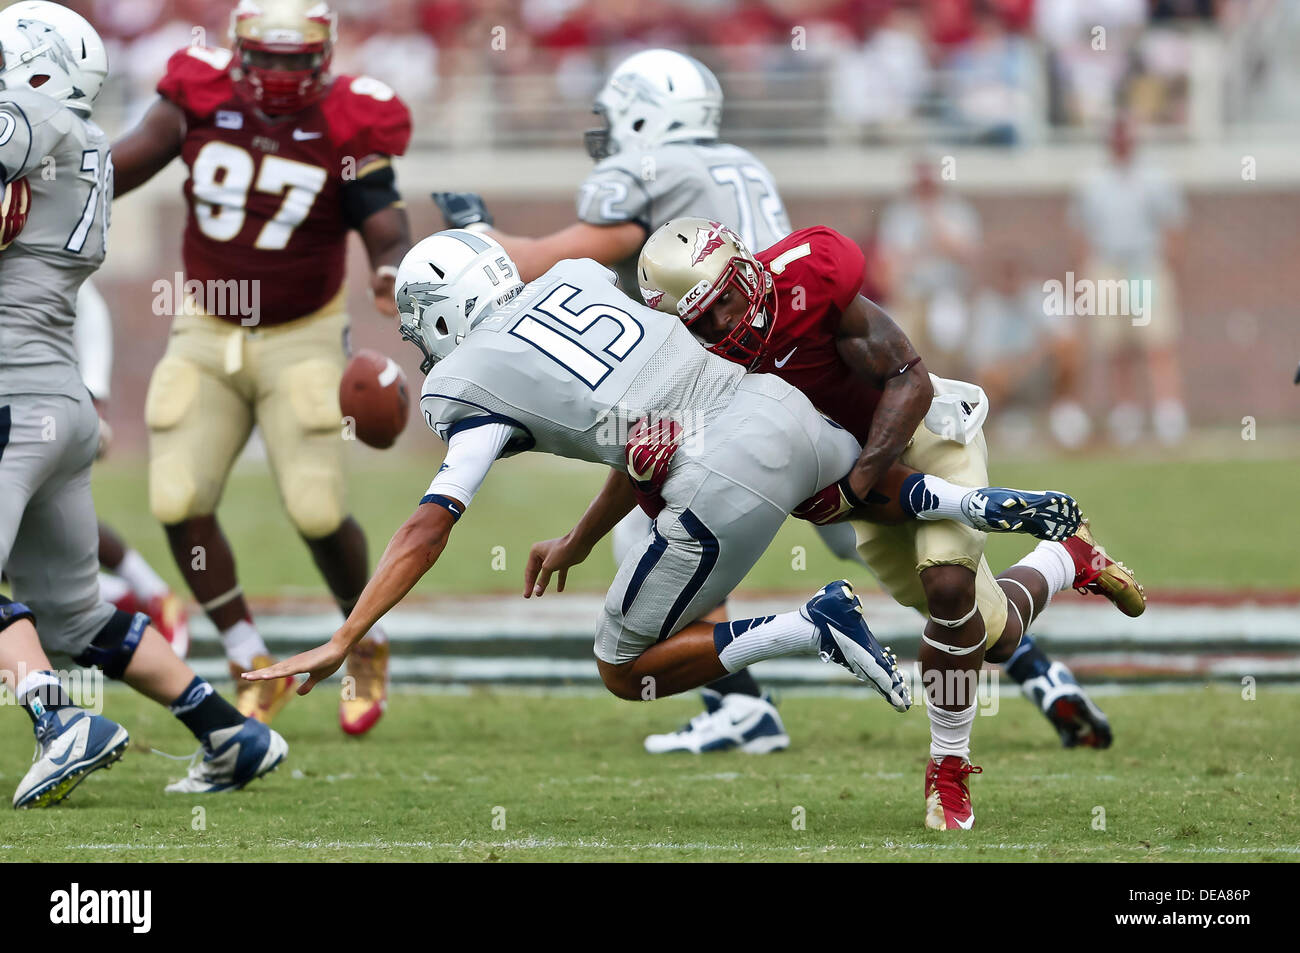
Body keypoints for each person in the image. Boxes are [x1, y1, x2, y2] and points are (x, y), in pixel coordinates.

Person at [246, 230, 922, 726]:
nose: (424, 347)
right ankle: (1009, 515)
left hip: (715, 474)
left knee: (625, 668)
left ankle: (808, 626)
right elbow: (642, 417)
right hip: (772, 410)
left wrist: (346, 635)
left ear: (446, 315)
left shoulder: (462, 382)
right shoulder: (580, 275)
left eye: (423, 328)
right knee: (896, 502)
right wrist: (580, 536)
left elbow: (429, 526)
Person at [432, 48, 887, 753]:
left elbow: (555, 254)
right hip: (793, 361)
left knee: (650, 534)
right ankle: (1023, 657)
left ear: (646, 115)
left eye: (616, 117)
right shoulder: (736, 160)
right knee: (865, 533)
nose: (608, 134)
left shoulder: (650, 172)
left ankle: (742, 701)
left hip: (730, 386)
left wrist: (476, 232)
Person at [635, 217, 1147, 829]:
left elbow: (911, 376)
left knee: (949, 590)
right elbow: (663, 480)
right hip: (861, 490)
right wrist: (623, 500)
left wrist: (855, 483)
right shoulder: (690, 374)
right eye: (703, 319)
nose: (724, 324)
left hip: (923, 437)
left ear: (745, 269)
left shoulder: (807, 281)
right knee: (990, 634)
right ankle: (1066, 557)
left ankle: (947, 775)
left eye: (727, 301)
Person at [0, 0, 284, 806]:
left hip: (12, 395)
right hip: (58, 399)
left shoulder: (29, 115)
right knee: (77, 617)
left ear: (38, 64)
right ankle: (232, 730)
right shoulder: (86, 141)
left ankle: (59, 723)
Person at [109, 0, 413, 734]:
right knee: (178, 497)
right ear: (239, 51)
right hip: (205, 328)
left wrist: (391, 269)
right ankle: (248, 657)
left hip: (301, 335)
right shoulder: (195, 92)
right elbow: (120, 166)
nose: (277, 74)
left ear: (324, 54)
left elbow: (382, 215)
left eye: (292, 58)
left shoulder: (350, 117)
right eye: (266, 58)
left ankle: (361, 638)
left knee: (314, 506)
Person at [74, 279, 192, 657]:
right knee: (25, 535)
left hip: (39, 396)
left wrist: (94, 393)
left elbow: (84, 298)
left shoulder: (32, 235)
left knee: (37, 515)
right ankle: (128, 599)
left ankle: (150, 596)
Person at [1068, 114, 1188, 446]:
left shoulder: (1155, 179)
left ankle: (1168, 412)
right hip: (1107, 265)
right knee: (1115, 344)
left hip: (1143, 265)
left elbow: (1173, 227)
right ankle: (1126, 413)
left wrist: (1167, 264)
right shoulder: (1093, 182)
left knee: (1157, 342)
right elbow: (1081, 232)